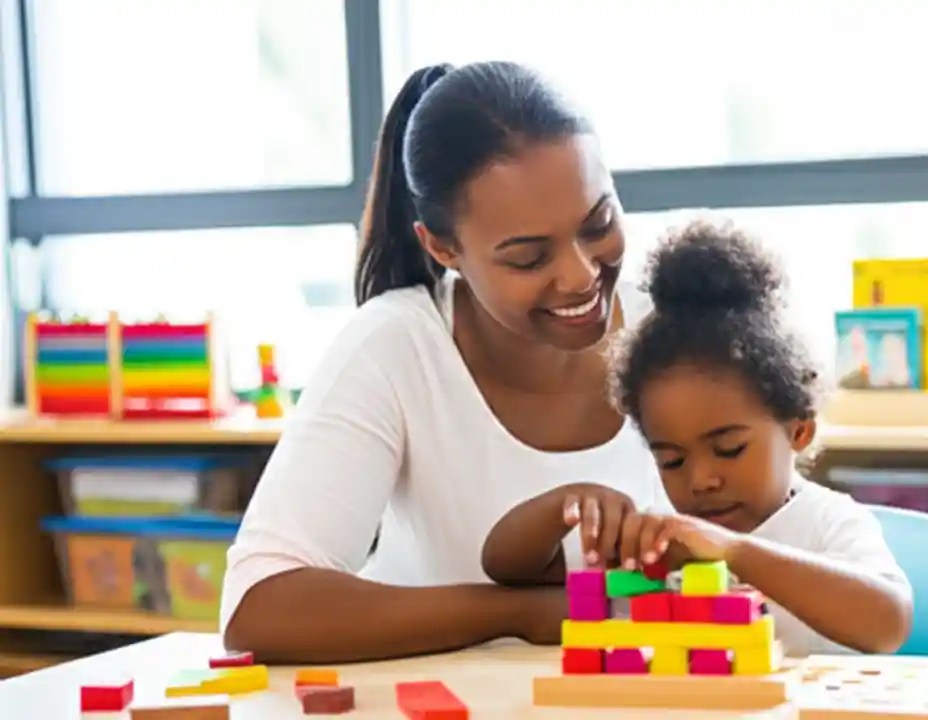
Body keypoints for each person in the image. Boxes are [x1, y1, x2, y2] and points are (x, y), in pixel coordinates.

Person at [219, 61, 670, 662]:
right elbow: (258, 609)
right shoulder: (394, 346)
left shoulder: (672, 333)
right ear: (443, 247)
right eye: (529, 258)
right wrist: (521, 613)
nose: (581, 275)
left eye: (599, 224)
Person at [483, 219, 914, 656]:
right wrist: (567, 504)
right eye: (671, 460)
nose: (701, 480)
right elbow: (505, 566)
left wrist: (736, 553)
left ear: (798, 430)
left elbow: (888, 623)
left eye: (729, 449)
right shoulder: (660, 538)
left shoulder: (828, 522)